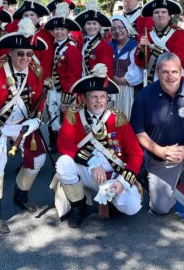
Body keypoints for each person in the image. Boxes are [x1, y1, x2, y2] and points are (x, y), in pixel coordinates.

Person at [0, 20, 47, 234]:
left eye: (28, 53)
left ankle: (21, 193)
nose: (25, 58)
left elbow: (40, 98)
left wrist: (37, 118)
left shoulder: (36, 69)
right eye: (20, 54)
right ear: (10, 53)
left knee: (38, 159)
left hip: (22, 124)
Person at [131, 52, 184, 235]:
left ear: (181, 71)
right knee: (160, 209)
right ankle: (150, 176)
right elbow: (138, 132)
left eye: (175, 71)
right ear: (158, 73)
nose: (170, 76)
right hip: (161, 155)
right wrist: (160, 151)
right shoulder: (144, 96)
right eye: (165, 72)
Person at [54, 64, 143, 227]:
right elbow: (63, 143)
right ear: (84, 98)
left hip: (113, 175)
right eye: (94, 97)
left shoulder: (118, 117)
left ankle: (112, 202)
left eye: (102, 96)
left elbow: (136, 153)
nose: (99, 101)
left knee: (132, 207)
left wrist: (122, 182)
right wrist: (92, 163)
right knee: (63, 163)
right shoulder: (74, 114)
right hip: (88, 171)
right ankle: (78, 206)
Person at [43, 2, 83, 152]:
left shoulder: (72, 50)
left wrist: (67, 97)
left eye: (62, 29)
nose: (59, 32)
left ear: (67, 31)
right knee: (53, 118)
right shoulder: (55, 46)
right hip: (53, 89)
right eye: (57, 29)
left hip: (64, 92)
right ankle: (54, 143)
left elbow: (74, 76)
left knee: (63, 121)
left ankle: (64, 148)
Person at [136, 0, 184, 84]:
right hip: (151, 82)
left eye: (164, 12)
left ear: (169, 16)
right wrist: (142, 51)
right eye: (156, 12)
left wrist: (152, 48)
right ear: (152, 17)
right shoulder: (146, 34)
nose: (160, 15)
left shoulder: (178, 34)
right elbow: (139, 63)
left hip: (173, 81)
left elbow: (178, 59)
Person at [108, 15, 143, 118]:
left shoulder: (134, 46)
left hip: (129, 90)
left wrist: (119, 80)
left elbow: (137, 72)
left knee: (126, 117)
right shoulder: (109, 46)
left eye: (120, 27)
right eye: (113, 29)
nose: (117, 31)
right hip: (111, 89)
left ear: (127, 28)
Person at [74, 0, 114, 77]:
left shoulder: (105, 45)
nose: (91, 26)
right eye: (88, 24)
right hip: (81, 83)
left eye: (94, 24)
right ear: (84, 26)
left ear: (99, 26)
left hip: (96, 85)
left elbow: (107, 72)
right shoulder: (81, 43)